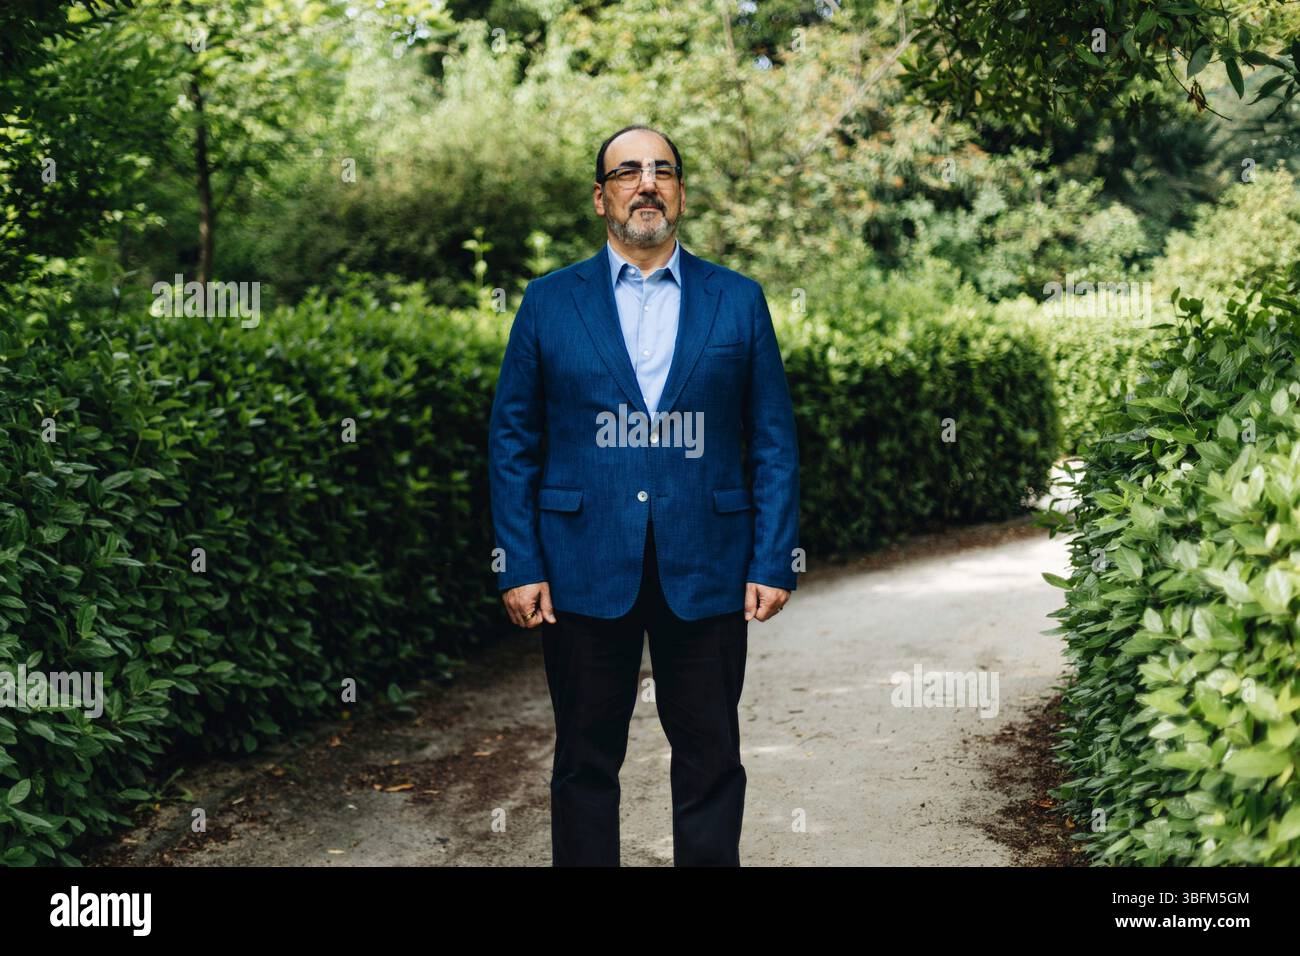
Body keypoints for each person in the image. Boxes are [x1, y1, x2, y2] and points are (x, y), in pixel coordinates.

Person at [487, 124, 800, 866]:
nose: (646, 183)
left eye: (662, 170)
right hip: (581, 564)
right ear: (602, 197)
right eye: (627, 172)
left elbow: (772, 440)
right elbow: (512, 441)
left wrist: (772, 558)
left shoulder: (739, 300)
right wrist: (519, 563)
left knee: (712, 757)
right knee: (584, 760)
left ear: (681, 193)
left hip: (709, 562)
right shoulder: (548, 302)